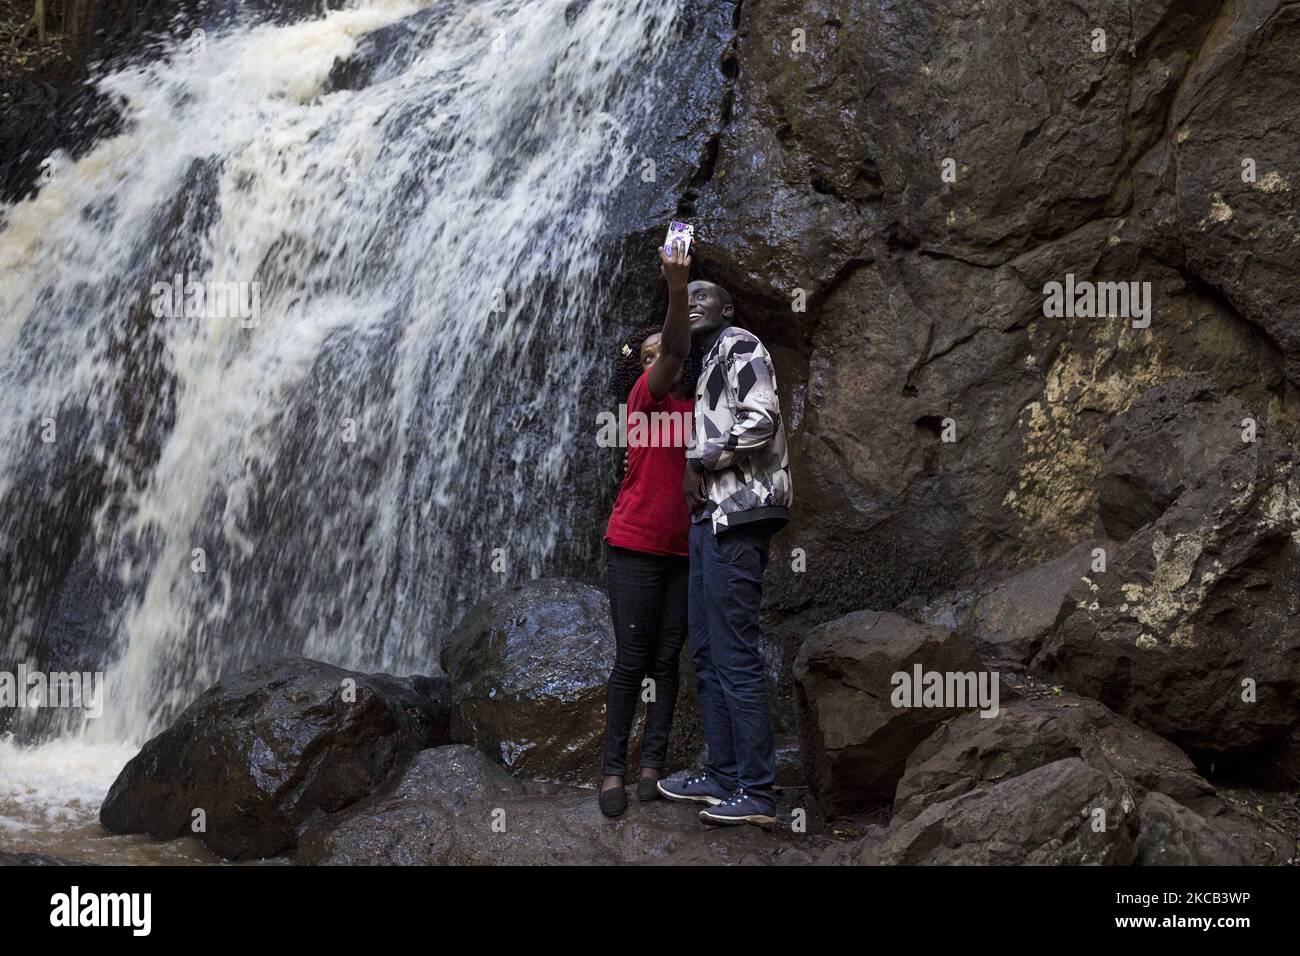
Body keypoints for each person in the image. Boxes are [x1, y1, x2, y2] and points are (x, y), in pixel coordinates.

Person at [656, 279, 792, 827]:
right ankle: (723, 773)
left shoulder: (739, 343)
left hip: (742, 509)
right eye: (682, 294)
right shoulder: (705, 361)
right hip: (710, 517)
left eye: (702, 295)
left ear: (727, 309)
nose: (690, 301)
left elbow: (762, 419)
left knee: (734, 653)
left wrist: (698, 461)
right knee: (708, 653)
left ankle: (758, 792)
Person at [598, 238, 697, 817]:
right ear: (642, 367)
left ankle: (652, 767)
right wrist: (676, 286)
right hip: (634, 545)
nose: (666, 355)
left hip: (686, 551)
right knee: (632, 660)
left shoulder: (700, 405)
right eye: (654, 352)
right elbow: (676, 347)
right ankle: (612, 772)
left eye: (668, 349)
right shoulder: (644, 401)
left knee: (667, 662)